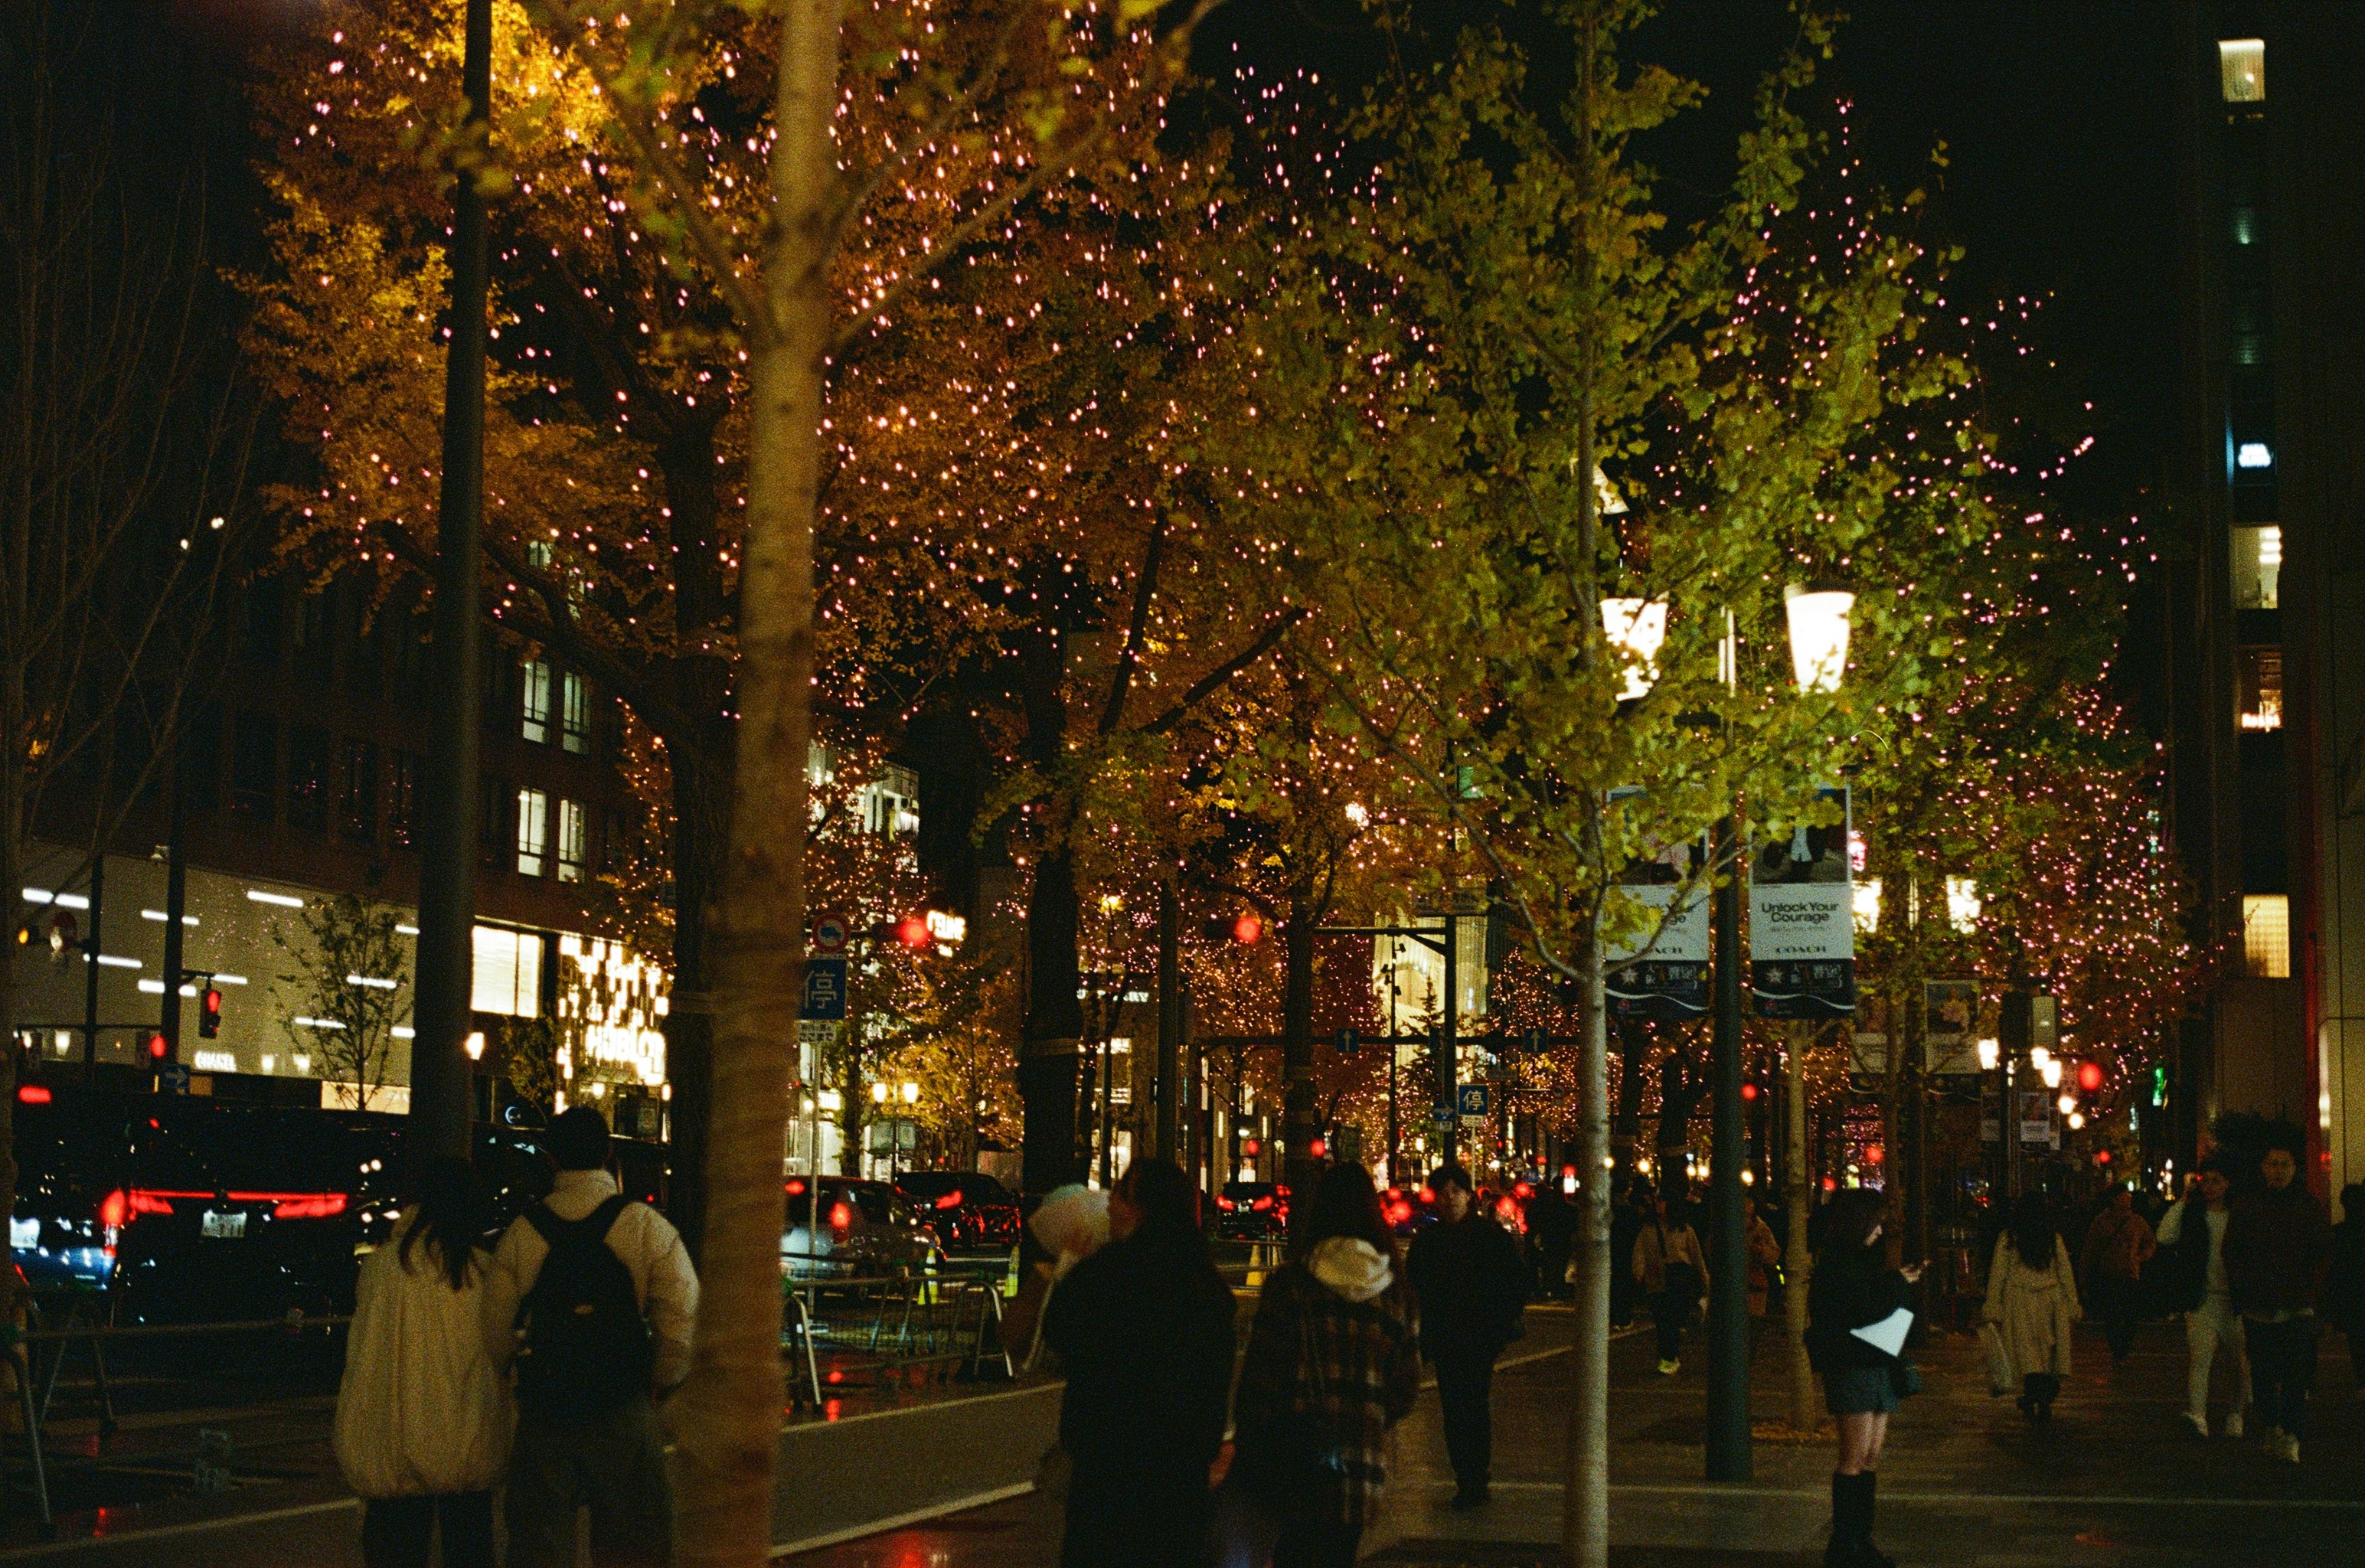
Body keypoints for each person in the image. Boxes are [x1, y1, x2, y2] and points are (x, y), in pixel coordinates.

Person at [482, 1106, 699, 1568]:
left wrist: (513, 1373)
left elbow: (495, 1329)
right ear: (607, 1154)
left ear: (552, 1159)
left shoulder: (523, 1232)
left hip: (547, 1408)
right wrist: (659, 1379)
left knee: (539, 1544)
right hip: (622, 1403)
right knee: (634, 1544)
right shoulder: (645, 1226)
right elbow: (682, 1315)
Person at [1040, 1160, 1236, 1567]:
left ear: (1142, 1209)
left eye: (1121, 1195)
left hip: (1106, 1466)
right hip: (1180, 1472)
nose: (1109, 1204)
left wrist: (1071, 1266)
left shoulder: (1108, 1273)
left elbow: (1058, 1330)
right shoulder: (1205, 1285)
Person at [1230, 1165, 1422, 1568]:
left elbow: (1262, 1379)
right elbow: (1405, 1389)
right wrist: (1369, 1415)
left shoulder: (1291, 1285)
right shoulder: (1395, 1294)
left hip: (1295, 1464)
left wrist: (1251, 1447)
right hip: (1360, 1468)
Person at [335, 1157, 510, 1568]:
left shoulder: (383, 1268)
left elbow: (365, 1358)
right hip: (468, 1448)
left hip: (397, 1446)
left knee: (396, 1548)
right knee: (469, 1548)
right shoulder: (483, 1272)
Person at [1805, 1187, 1921, 1568]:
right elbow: (1863, 1308)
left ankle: (1860, 1538)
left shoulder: (1864, 1261)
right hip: (1852, 1364)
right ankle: (1845, 1543)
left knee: (1870, 1456)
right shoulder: (1837, 1265)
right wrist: (1897, 1284)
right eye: (1875, 1224)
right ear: (1859, 1223)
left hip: (1876, 1362)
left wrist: (1897, 1281)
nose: (1880, 1231)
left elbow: (1873, 1301)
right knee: (1853, 1456)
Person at [1405, 1163, 1528, 1509]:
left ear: (1469, 1195)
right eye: (1443, 1193)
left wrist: (1497, 1326)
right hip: (1444, 1337)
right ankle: (1466, 1476)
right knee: (1454, 1409)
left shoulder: (1490, 1238)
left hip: (1478, 1337)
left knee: (1471, 1405)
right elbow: (1414, 1289)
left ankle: (1474, 1478)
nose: (1449, 1199)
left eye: (1455, 1192)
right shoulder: (1428, 1242)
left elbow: (1514, 1285)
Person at [2223, 1135, 2334, 1462]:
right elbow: (2232, 1251)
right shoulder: (2247, 1206)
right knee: (2263, 1372)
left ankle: (2291, 1433)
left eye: (2284, 1165)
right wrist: (2243, 1288)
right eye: (2273, 1164)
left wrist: (2312, 1290)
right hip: (2259, 1304)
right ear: (2263, 1167)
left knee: (2297, 1375)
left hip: (2298, 1304)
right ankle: (2271, 1425)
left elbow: (2324, 1251)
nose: (2278, 1171)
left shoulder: (2308, 1206)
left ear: (2294, 1168)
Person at [2158, 1158, 2250, 1437]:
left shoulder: (2238, 1216)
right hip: (2203, 1298)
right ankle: (2198, 1415)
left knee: (2238, 1362)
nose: (2209, 1187)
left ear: (2227, 1184)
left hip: (2234, 1300)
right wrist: (2184, 1201)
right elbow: (2164, 1236)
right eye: (2205, 1181)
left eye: (2216, 1181)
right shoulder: (2193, 1215)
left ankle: (2236, 1414)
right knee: (2200, 1359)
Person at [1982, 1194, 2079, 1422]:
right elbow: (2065, 1272)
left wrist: (1994, 1304)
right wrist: (2071, 1303)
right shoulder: (2052, 1238)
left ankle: (2032, 1396)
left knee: (2028, 1355)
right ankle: (2041, 1398)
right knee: (2046, 1355)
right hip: (2050, 1301)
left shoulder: (2009, 1238)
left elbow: (1998, 1273)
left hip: (2019, 1301)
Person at [1632, 1188, 1708, 1375]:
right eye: (1657, 1201)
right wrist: (1639, 1271)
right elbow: (1640, 1251)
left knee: (1671, 1321)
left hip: (1679, 1281)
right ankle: (1667, 1357)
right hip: (1657, 1280)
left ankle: (1669, 1358)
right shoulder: (1647, 1229)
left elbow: (1696, 1256)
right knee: (1661, 1321)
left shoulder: (1684, 1229)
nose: (1659, 1204)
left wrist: (1705, 1280)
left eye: (1663, 1201)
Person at [2079, 1185, 2158, 1363]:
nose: (2128, 1199)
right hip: (2108, 1274)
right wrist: (2084, 1276)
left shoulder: (2136, 1221)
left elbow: (2150, 1242)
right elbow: (2090, 1250)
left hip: (2131, 1274)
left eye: (2129, 1196)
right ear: (2114, 1199)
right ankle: (2117, 1348)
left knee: (2130, 1314)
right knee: (2112, 1314)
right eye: (2124, 1196)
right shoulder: (2101, 1222)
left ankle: (2124, 1346)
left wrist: (2140, 1257)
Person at [2324, 1181, 2365, 1397]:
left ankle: (2363, 1381)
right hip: (2355, 1289)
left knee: (2357, 1339)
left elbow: (2333, 1271)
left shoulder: (2338, 1233)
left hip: (2351, 1293)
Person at [1608, 1181, 1650, 1329]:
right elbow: (1637, 1231)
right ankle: (1624, 1318)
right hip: (1628, 1252)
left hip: (1613, 1252)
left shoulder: (1609, 1212)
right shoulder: (1631, 1213)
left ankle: (1614, 1318)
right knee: (1625, 1286)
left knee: (1614, 1285)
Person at [1745, 1196, 1784, 1338]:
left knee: (1753, 1324)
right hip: (1733, 1280)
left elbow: (1774, 1254)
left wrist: (1762, 1250)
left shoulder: (1761, 1229)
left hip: (1755, 1280)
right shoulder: (1728, 1229)